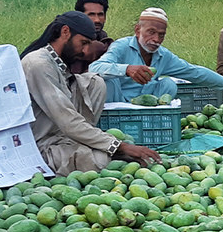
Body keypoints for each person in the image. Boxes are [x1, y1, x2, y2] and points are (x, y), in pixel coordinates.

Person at [21, 11, 161, 174]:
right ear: (65, 32)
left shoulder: (55, 60)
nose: (86, 51)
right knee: (99, 160)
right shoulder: (38, 64)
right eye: (83, 43)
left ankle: (86, 139)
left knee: (95, 82)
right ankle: (86, 145)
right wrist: (119, 147)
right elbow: (68, 121)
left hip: (66, 134)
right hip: (44, 144)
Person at [90, 7, 223, 104]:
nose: (155, 39)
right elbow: (94, 68)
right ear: (138, 30)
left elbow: (196, 72)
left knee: (168, 84)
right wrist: (127, 69)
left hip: (147, 106)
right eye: (150, 32)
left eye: (161, 35)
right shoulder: (122, 46)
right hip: (118, 105)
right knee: (107, 80)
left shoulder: (162, 56)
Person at [70, 0, 111, 74]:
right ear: (79, 17)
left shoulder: (103, 38)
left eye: (100, 15)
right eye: (91, 15)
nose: (97, 20)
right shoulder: (69, 41)